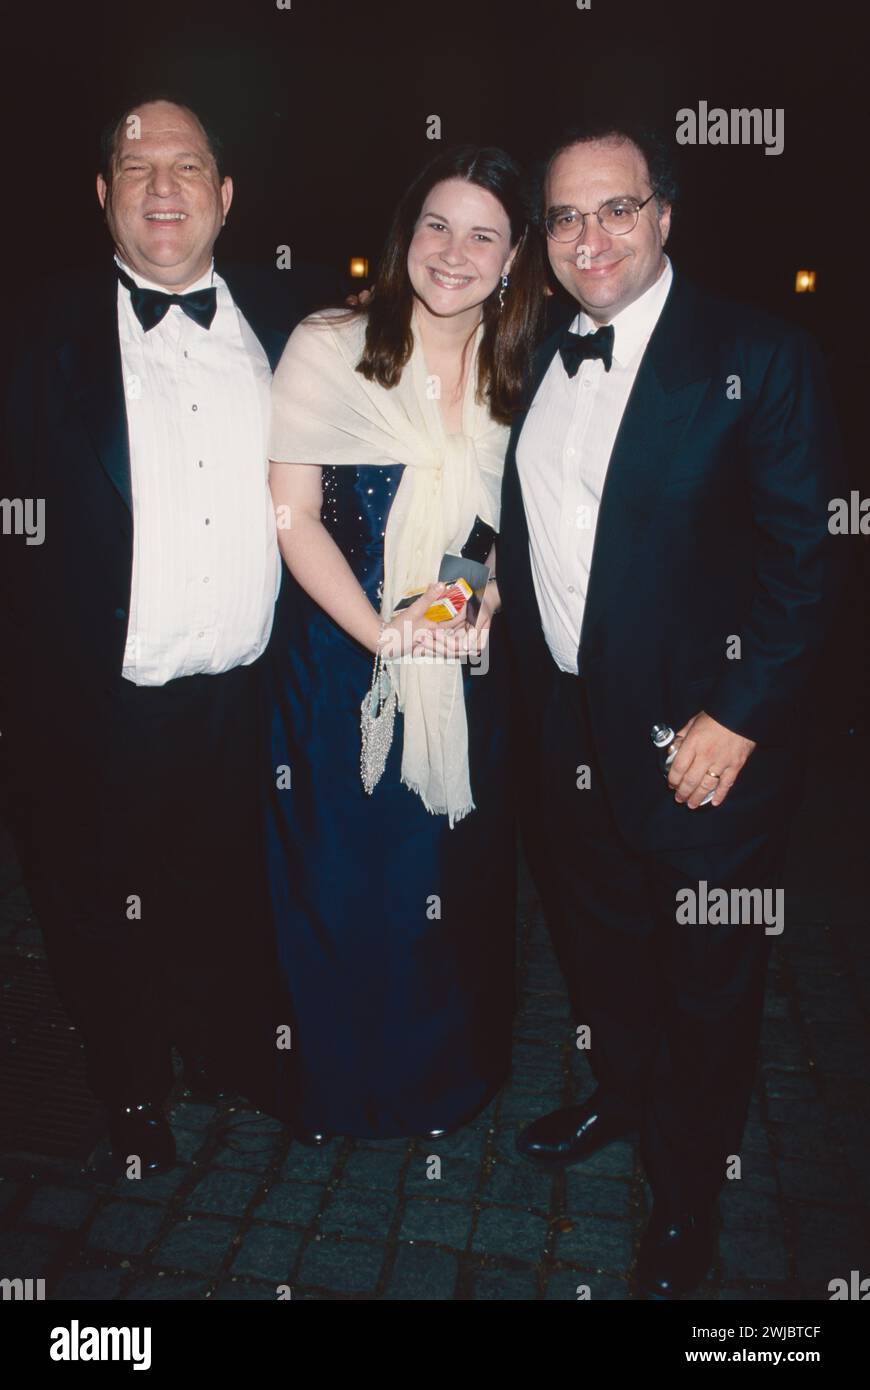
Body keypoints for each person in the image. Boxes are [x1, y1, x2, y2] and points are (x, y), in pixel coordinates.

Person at [497, 122, 846, 1297]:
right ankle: (623, 1096)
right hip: (568, 736)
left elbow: (809, 557)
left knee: (708, 978)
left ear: (665, 216)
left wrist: (740, 715)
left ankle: (690, 1194)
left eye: (618, 208)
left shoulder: (762, 351)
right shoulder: (543, 345)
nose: (590, 236)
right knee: (604, 949)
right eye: (565, 216)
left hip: (705, 752)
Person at [0, 95, 335, 1171]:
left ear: (226, 198)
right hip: (93, 702)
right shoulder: (32, 330)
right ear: (102, 196)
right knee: (97, 908)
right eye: (136, 168)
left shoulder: (294, 327)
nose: (161, 188)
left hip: (245, 697)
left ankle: (235, 1053)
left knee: (230, 891)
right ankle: (131, 1085)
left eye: (186, 167)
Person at [266, 146, 545, 1140]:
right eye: (437, 224)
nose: (455, 251)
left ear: (513, 256)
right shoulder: (328, 342)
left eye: (484, 234)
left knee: (444, 877)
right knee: (340, 879)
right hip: (339, 665)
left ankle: (438, 1082)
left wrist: (462, 607)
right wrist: (383, 632)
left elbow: (494, 523)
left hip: (454, 669)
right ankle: (337, 1088)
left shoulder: (519, 368)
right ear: (405, 235)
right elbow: (294, 517)